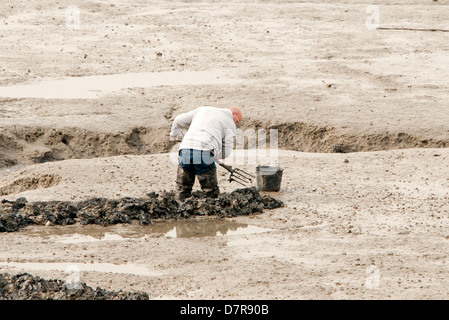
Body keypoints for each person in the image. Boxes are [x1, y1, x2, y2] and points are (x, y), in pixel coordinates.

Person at [170, 106, 242, 201]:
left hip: (185, 151)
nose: (235, 124)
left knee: (182, 190)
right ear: (233, 113)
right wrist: (217, 154)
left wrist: (173, 135)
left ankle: (179, 209)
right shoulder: (230, 123)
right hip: (204, 155)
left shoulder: (202, 109)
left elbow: (178, 120)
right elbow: (226, 152)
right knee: (211, 193)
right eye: (237, 121)